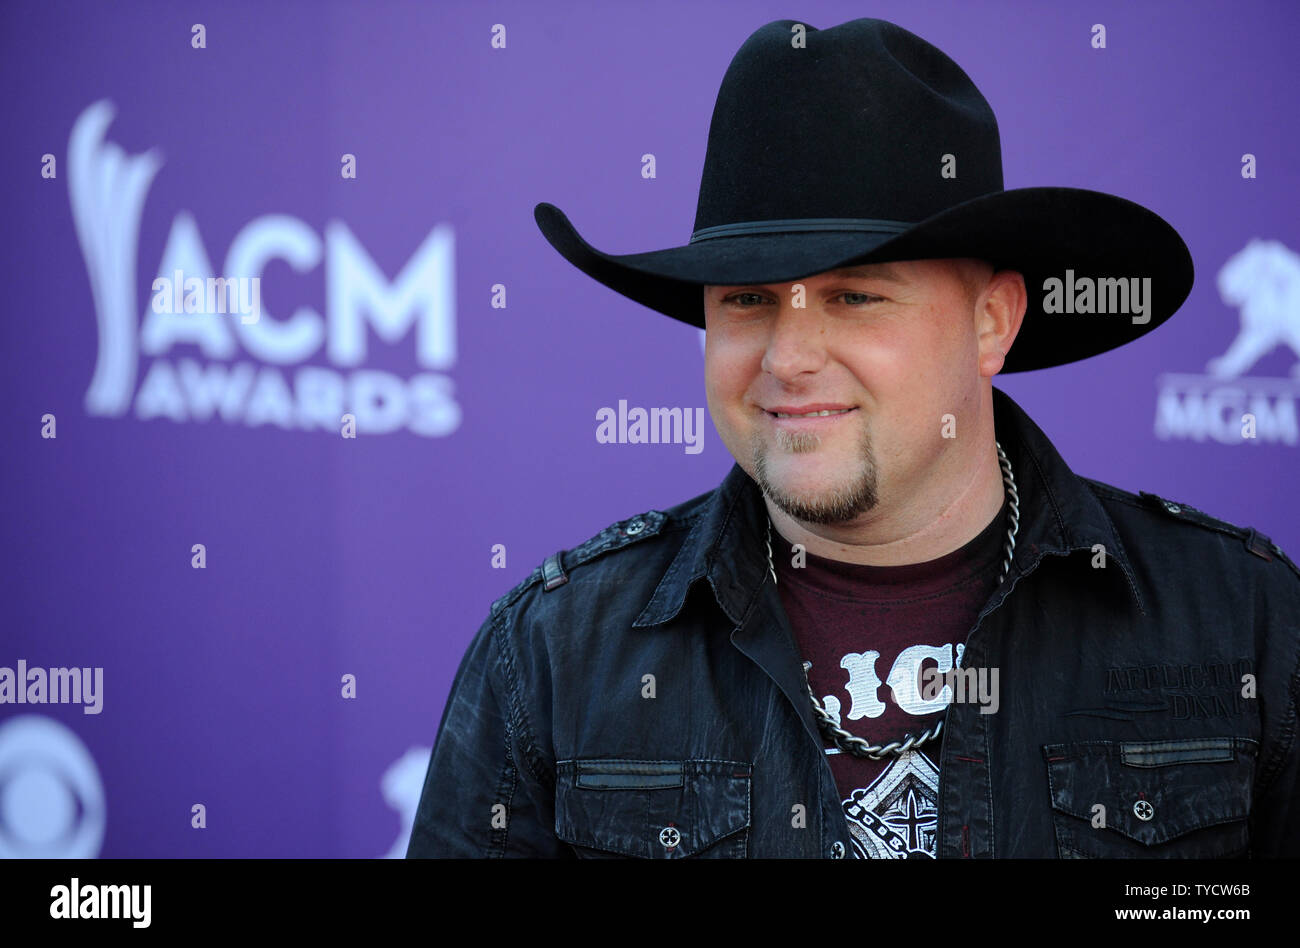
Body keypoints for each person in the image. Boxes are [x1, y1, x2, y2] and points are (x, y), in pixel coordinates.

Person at [407, 17, 1300, 858]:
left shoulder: (1242, 625)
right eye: (748, 300)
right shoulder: (555, 656)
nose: (789, 357)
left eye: (856, 296)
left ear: (993, 323)